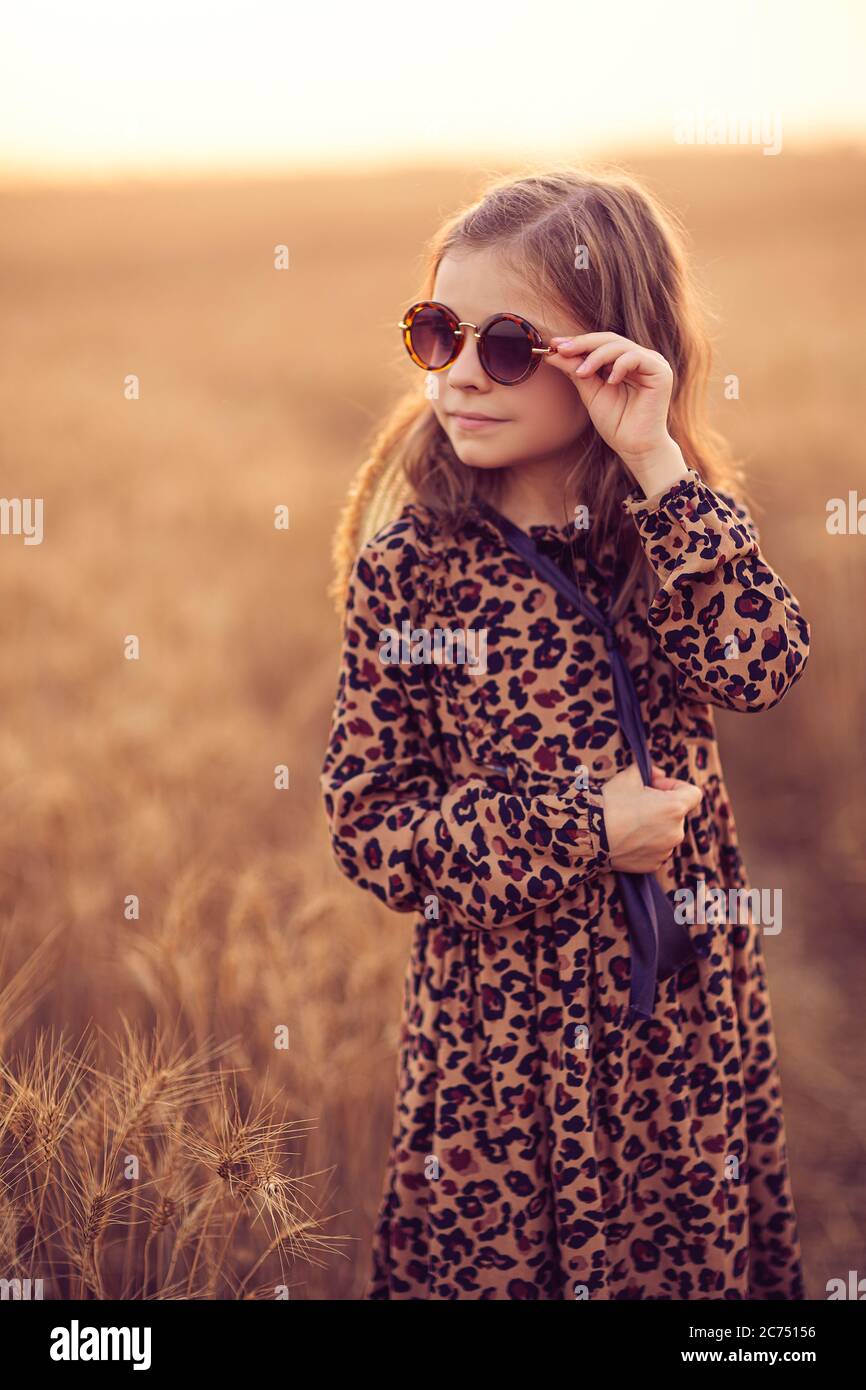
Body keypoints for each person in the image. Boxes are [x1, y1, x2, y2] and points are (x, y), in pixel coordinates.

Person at [319, 165, 810, 1300]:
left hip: (675, 1019)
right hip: (498, 1039)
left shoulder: (667, 528)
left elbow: (760, 665)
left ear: (608, 356)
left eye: (503, 346)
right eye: (434, 333)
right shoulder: (413, 568)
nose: (455, 375)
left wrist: (655, 460)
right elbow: (368, 826)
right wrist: (583, 826)